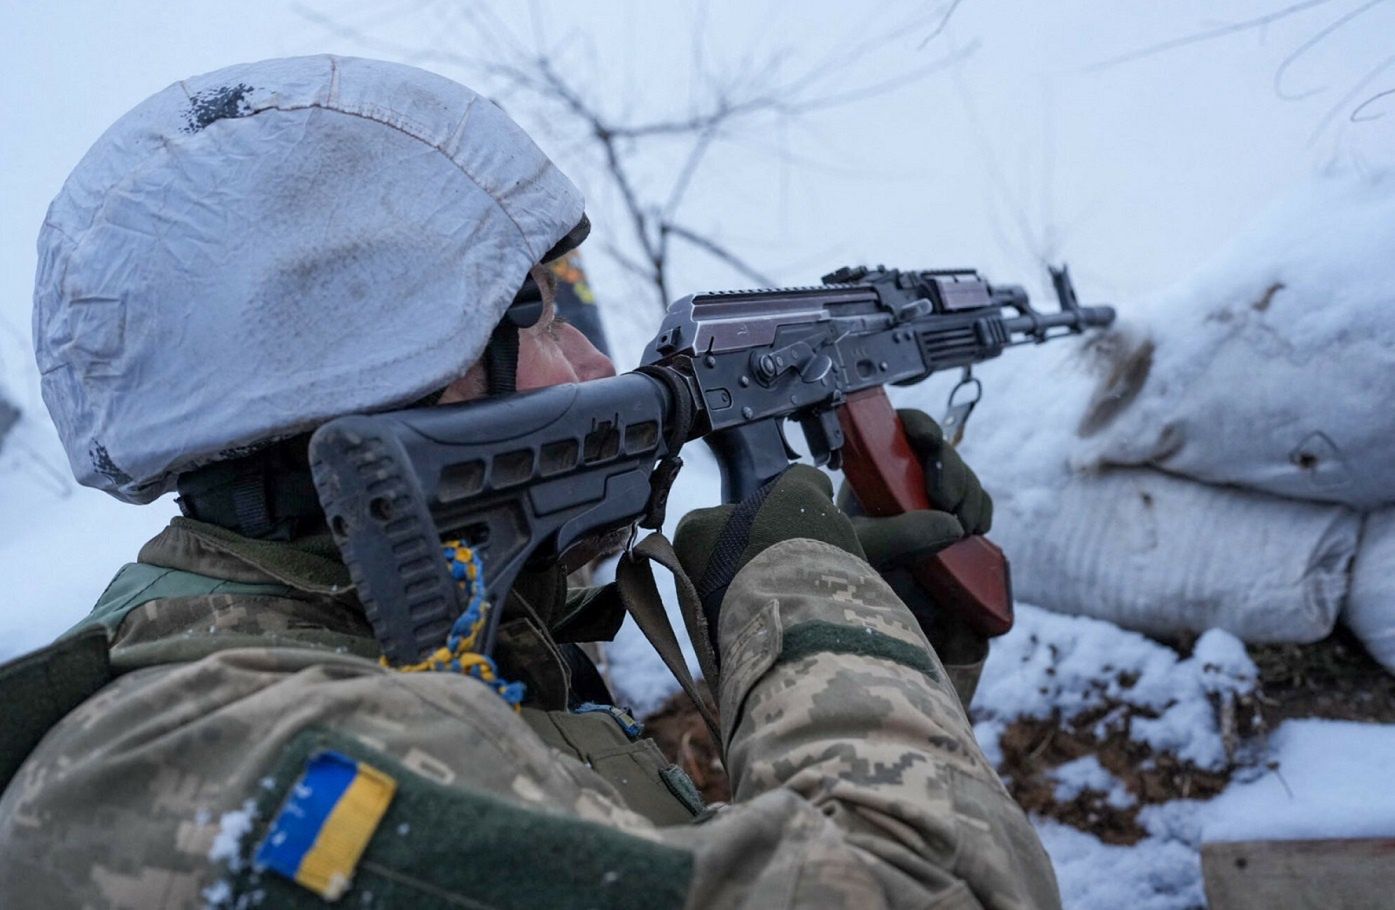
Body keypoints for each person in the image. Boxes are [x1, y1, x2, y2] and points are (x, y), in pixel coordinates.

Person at [0, 56, 1059, 909]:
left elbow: (639, 831)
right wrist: (806, 591)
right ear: (379, 366)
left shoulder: (389, 643)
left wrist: (853, 649)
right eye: (538, 316)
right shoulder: (221, 763)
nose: (602, 369)